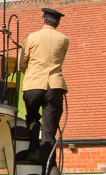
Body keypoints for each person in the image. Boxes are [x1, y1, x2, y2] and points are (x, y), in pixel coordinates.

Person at [19, 8, 69, 164]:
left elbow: (22, 63)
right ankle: (46, 173)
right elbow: (60, 60)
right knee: (49, 133)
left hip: (33, 85)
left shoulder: (31, 37)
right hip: (54, 86)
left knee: (32, 117)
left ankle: (33, 149)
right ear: (58, 22)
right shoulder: (63, 39)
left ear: (43, 20)